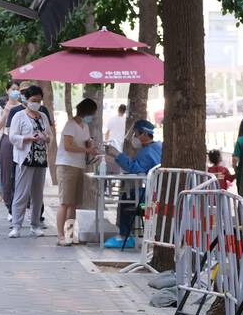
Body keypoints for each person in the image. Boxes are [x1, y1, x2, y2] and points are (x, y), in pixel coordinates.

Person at [104, 119, 162, 245]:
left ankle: (124, 236)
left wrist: (117, 155)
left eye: (136, 134)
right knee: (131, 195)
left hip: (150, 202)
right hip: (158, 195)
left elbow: (135, 168)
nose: (134, 137)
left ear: (145, 134)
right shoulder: (158, 147)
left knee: (126, 198)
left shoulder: (147, 152)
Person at [8, 85, 50, 238]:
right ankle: (16, 225)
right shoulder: (19, 116)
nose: (36, 103)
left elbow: (49, 136)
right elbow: (12, 136)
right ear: (27, 100)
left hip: (40, 158)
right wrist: (27, 138)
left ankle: (35, 224)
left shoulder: (43, 116)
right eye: (34, 100)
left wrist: (45, 137)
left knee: (38, 195)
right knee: (21, 193)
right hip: (25, 158)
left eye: (39, 101)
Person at [56, 98, 97, 245]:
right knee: (65, 202)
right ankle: (61, 235)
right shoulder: (70, 125)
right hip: (67, 165)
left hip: (79, 166)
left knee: (73, 203)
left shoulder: (84, 126)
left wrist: (91, 146)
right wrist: (86, 149)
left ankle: (69, 234)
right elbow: (68, 146)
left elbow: (86, 141)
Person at [0, 86, 23, 219]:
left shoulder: (24, 107)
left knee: (20, 175)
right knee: (7, 174)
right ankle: (10, 207)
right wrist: (5, 113)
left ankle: (21, 207)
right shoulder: (1, 107)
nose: (15, 91)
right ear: (7, 90)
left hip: (22, 142)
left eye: (17, 89)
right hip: (7, 141)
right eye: (13, 89)